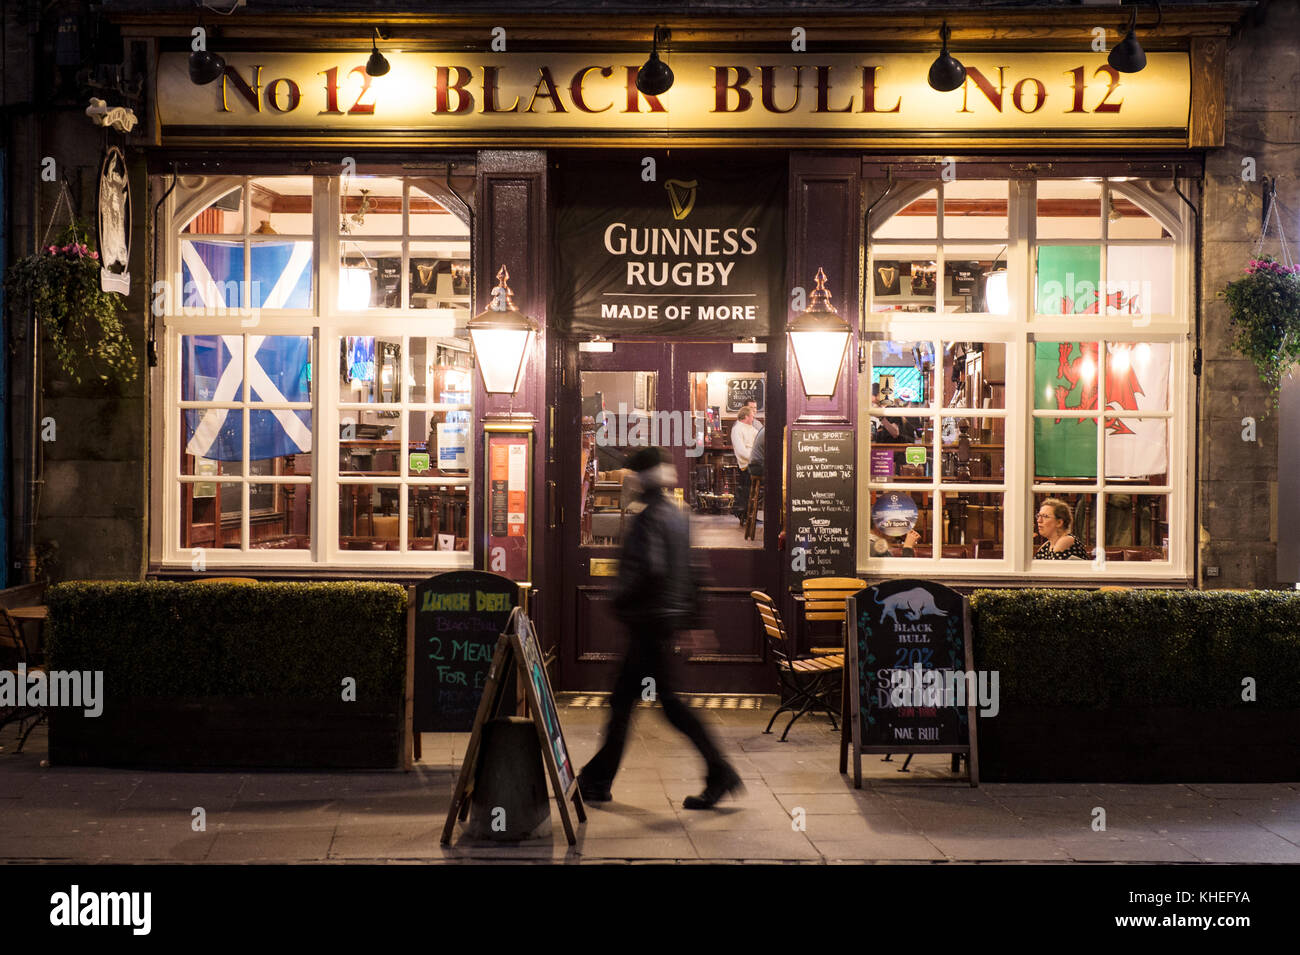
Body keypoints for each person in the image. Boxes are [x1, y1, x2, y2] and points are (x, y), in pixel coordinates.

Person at [578, 446, 744, 810]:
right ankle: (597, 778)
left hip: (648, 624)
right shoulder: (678, 515)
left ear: (641, 480)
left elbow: (648, 570)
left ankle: (599, 779)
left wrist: (619, 599)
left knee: (648, 703)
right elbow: (696, 570)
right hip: (663, 621)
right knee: (645, 702)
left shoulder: (649, 517)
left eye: (633, 476)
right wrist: (694, 620)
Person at [730, 406, 759, 522]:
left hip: (754, 463)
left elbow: (760, 441)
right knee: (746, 493)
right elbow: (741, 451)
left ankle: (751, 516)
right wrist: (756, 457)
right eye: (752, 416)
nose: (753, 419)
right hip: (746, 466)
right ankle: (745, 516)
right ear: (746, 416)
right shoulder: (737, 429)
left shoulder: (751, 428)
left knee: (750, 493)